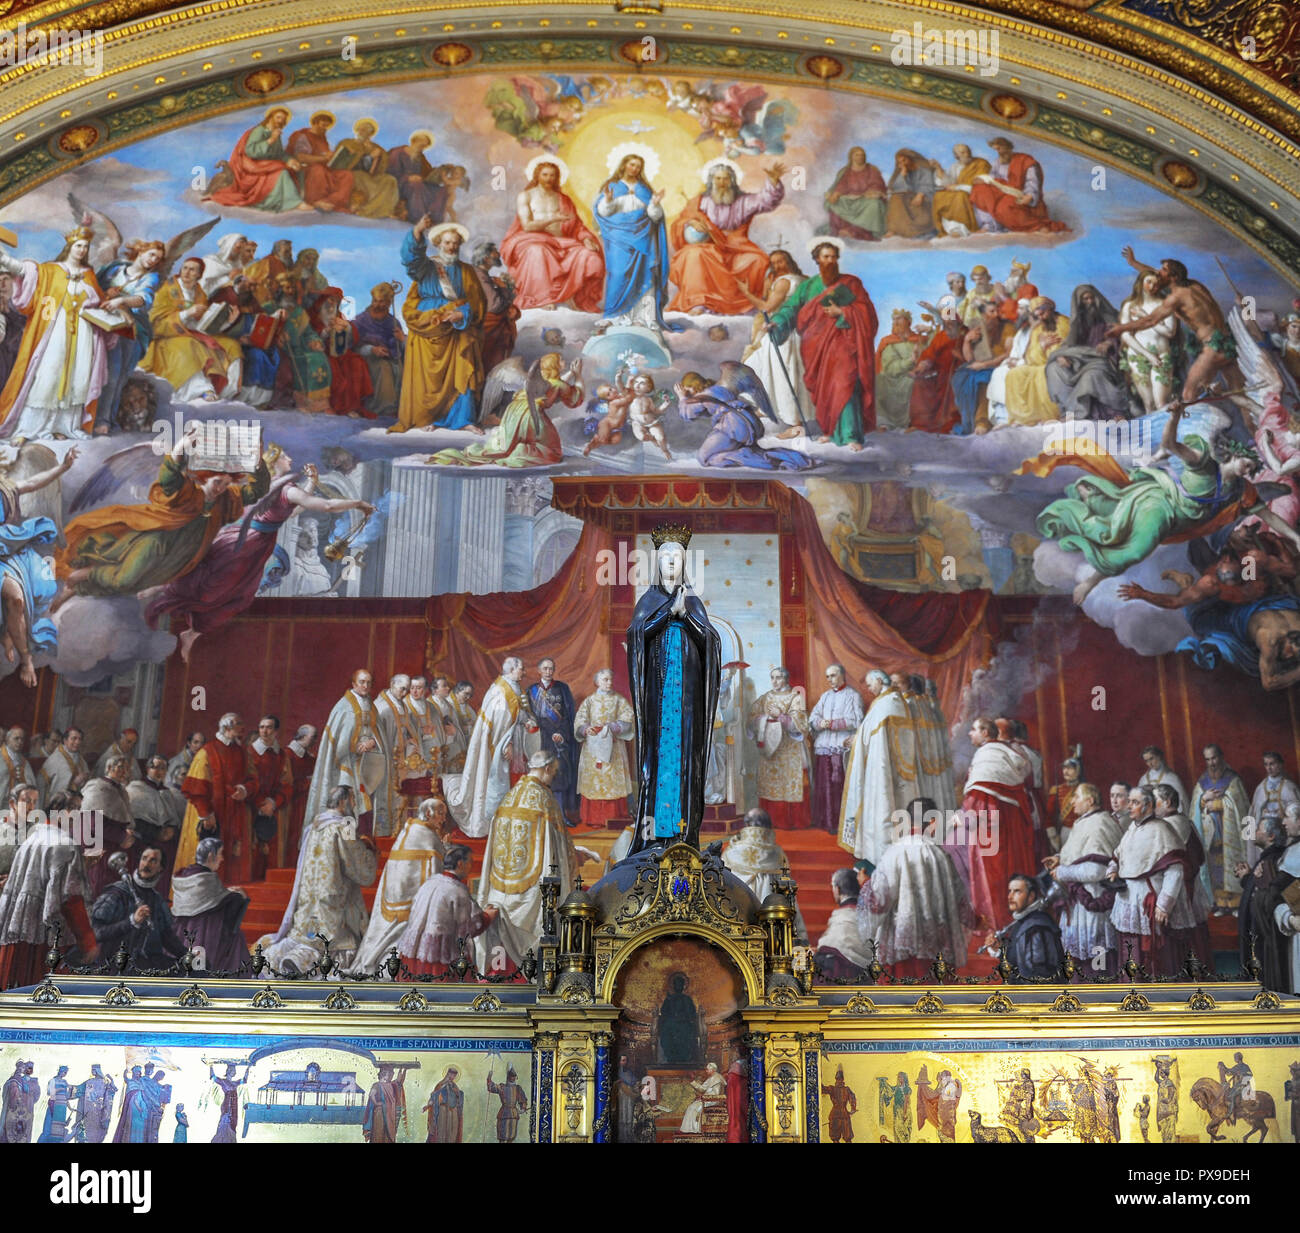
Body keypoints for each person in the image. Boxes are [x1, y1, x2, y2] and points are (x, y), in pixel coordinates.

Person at [53, 426, 270, 607]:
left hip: (180, 557)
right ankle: (82, 575)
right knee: (124, 579)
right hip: (156, 542)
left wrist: (258, 463)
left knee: (135, 584)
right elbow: (169, 480)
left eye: (226, 483)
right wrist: (178, 451)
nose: (221, 488)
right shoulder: (188, 492)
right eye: (217, 482)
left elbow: (255, 491)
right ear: (204, 479)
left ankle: (75, 590)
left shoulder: (226, 500)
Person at [626, 525, 722, 853]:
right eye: (664, 556)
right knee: (658, 762)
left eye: (676, 557)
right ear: (657, 562)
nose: (670, 562)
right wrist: (669, 612)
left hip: (687, 705)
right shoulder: (650, 599)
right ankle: (654, 837)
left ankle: (683, 837)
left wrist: (686, 617)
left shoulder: (692, 600)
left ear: (684, 563)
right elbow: (637, 635)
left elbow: (710, 641)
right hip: (659, 701)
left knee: (685, 762)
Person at [475, 751, 588, 971]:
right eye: (553, 773)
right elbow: (559, 847)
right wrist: (576, 856)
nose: (553, 777)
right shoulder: (544, 800)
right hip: (531, 889)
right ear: (546, 769)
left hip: (501, 885)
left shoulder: (510, 795)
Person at [761, 238, 877, 448]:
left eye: (833, 257)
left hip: (844, 343)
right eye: (825, 257)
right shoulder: (808, 286)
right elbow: (791, 308)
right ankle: (831, 432)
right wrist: (776, 323)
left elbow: (867, 312)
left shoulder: (851, 283)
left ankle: (851, 435)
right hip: (816, 348)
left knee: (846, 383)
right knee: (826, 390)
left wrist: (842, 312)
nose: (830, 261)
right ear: (817, 260)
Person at [0, 224, 108, 441]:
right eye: (78, 246)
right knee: (47, 376)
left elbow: (98, 302)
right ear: (70, 246)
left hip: (83, 335)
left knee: (78, 378)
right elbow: (22, 270)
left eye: (86, 247)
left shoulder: (89, 275)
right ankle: (29, 429)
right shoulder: (51, 270)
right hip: (54, 333)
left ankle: (64, 426)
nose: (82, 251)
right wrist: (3, 257)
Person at [263, 784, 378, 973]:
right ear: (342, 802)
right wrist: (370, 853)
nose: (355, 804)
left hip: (310, 897)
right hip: (334, 899)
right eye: (352, 800)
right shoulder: (346, 825)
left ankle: (281, 955)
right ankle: (299, 961)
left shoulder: (313, 826)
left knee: (306, 934)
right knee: (332, 942)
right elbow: (357, 863)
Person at [859, 798, 973, 978]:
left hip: (902, 948)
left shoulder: (894, 852)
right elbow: (960, 902)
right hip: (936, 945)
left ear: (909, 820)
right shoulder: (941, 856)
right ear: (933, 822)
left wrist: (865, 884)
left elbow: (879, 900)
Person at [391, 218, 486, 433]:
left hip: (456, 330)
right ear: (438, 244)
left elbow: (478, 303)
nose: (451, 247)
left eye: (455, 243)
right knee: (427, 379)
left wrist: (461, 314)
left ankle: (464, 419)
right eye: (447, 243)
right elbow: (410, 259)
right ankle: (429, 417)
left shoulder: (467, 272)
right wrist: (417, 230)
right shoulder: (425, 267)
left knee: (463, 369)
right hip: (428, 328)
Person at [668, 160, 785, 316]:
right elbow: (679, 223)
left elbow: (766, 201)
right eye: (718, 179)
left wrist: (773, 181)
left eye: (725, 179)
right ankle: (699, 302)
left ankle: (744, 304)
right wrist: (691, 222)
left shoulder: (743, 201)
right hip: (708, 248)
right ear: (711, 181)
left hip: (736, 248)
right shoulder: (700, 202)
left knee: (758, 260)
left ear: (732, 181)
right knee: (693, 255)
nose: (722, 183)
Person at [429, 350, 581, 468]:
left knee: (506, 447)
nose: (564, 361)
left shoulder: (545, 381)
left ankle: (518, 447)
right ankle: (522, 450)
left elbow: (556, 385)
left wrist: (572, 374)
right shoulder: (553, 383)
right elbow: (576, 399)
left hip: (514, 412)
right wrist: (578, 376)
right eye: (560, 360)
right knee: (552, 451)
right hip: (529, 414)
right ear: (553, 364)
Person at [350, 796, 447, 976]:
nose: (443, 819)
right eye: (440, 814)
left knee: (385, 932)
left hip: (393, 896)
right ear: (428, 813)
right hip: (410, 901)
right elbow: (438, 868)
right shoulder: (427, 836)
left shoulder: (408, 830)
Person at [1107, 786, 1197, 977]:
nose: (1129, 806)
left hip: (1151, 902)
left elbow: (1175, 871)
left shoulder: (1162, 829)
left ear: (1148, 805)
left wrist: (1164, 905)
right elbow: (1117, 854)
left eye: (1135, 802)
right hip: (1128, 899)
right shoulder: (1132, 827)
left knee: (1156, 958)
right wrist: (1113, 870)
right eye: (1129, 801)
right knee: (1129, 951)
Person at [963, 718, 1040, 929]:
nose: (970, 734)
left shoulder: (987, 755)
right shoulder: (1007, 753)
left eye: (974, 729)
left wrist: (962, 818)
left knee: (992, 874)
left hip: (991, 828)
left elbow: (978, 801)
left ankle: (995, 925)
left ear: (986, 733)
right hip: (1010, 827)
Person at [839, 670, 921, 865]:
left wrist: (857, 740)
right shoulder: (894, 701)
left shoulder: (886, 703)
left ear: (878, 680)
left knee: (884, 809)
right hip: (894, 770)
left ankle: (881, 857)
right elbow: (871, 733)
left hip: (882, 770)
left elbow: (874, 737)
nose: (868, 689)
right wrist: (859, 738)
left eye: (869, 684)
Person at [445, 657, 533, 838]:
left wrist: (527, 721)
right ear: (511, 670)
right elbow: (499, 726)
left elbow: (518, 714)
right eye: (521, 669)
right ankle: (495, 824)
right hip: (499, 748)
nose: (524, 672)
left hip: (513, 744)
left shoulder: (514, 688)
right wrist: (505, 745)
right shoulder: (501, 693)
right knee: (498, 783)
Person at [500, 157, 603, 312]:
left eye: (552, 175)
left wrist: (586, 238)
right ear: (537, 176)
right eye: (545, 175)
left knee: (589, 255)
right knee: (537, 251)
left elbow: (577, 226)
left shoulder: (564, 199)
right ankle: (541, 298)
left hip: (562, 242)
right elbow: (527, 226)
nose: (549, 178)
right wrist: (552, 219)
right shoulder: (526, 196)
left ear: (557, 178)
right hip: (531, 240)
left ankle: (574, 297)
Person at [1043, 782, 1123, 976]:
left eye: (1076, 797)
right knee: (1078, 961)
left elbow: (1097, 870)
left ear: (1090, 801)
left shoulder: (1100, 823)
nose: (1071, 801)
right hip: (1078, 904)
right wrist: (1059, 859)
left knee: (1097, 960)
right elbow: (1079, 854)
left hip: (1094, 902)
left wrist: (1063, 872)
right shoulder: (1083, 822)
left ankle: (1099, 996)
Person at [139, 256, 243, 402]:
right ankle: (202, 389)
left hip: (193, 333)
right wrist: (186, 313)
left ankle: (228, 391)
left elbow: (205, 326)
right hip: (166, 338)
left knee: (232, 345)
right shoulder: (166, 289)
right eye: (185, 268)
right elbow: (155, 324)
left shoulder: (200, 293)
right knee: (190, 345)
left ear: (199, 275)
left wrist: (228, 322)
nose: (186, 272)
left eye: (192, 270)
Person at [593, 151, 676, 334]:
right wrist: (607, 201)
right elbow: (603, 213)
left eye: (638, 166)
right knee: (619, 274)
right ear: (623, 165)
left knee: (644, 275)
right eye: (631, 164)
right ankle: (614, 316)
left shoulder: (645, 190)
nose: (635, 168)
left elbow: (655, 217)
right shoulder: (613, 186)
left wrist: (654, 203)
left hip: (642, 238)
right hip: (618, 239)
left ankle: (644, 317)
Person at [173, 712, 257, 884]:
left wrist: (244, 789)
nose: (242, 728)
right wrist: (206, 814)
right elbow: (196, 789)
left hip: (235, 813)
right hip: (211, 813)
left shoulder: (242, 752)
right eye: (238, 724)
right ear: (227, 728)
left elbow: (253, 779)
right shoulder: (206, 752)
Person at [741, 250, 817, 437]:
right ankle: (767, 407)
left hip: (782, 332)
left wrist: (746, 293)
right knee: (765, 368)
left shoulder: (784, 281)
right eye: (774, 263)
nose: (777, 266)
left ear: (789, 261)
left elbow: (767, 307)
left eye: (781, 261)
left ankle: (796, 424)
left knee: (785, 375)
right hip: (796, 332)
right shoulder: (805, 280)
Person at [305, 670, 387, 838]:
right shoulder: (344, 706)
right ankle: (346, 842)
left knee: (364, 806)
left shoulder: (371, 706)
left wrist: (372, 742)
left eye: (369, 683)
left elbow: (377, 733)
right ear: (354, 684)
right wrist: (354, 746)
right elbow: (338, 743)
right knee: (347, 805)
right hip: (345, 764)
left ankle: (359, 845)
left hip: (365, 765)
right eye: (362, 682)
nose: (366, 686)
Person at [94, 239, 164, 432]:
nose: (153, 260)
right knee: (101, 373)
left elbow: (143, 299)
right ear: (140, 251)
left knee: (117, 375)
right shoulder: (114, 270)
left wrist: (121, 300)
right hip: (100, 322)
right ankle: (93, 419)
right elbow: (93, 285)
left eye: (157, 258)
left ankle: (105, 420)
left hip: (129, 329)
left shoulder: (151, 278)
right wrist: (106, 292)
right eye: (151, 254)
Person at [399, 843, 496, 976]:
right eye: (470, 862)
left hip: (413, 955)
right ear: (460, 863)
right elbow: (469, 929)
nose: (471, 867)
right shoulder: (458, 891)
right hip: (440, 960)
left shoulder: (428, 884)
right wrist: (488, 916)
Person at [90, 845, 187, 972]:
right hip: (116, 963)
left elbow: (167, 937)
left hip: (146, 962)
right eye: (144, 858)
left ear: (160, 868)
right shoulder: (117, 893)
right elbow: (95, 933)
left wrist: (188, 956)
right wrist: (131, 922)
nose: (146, 864)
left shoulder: (157, 900)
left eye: (153, 860)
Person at [170, 836, 250, 973]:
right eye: (220, 854)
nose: (222, 858)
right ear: (211, 855)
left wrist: (226, 893)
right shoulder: (208, 879)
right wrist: (241, 896)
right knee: (236, 939)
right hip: (205, 934)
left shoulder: (183, 876)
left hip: (182, 931)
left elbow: (210, 897)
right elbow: (221, 904)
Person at [206, 106, 309, 212]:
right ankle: (293, 203)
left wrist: (290, 160)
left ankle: (298, 198)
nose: (280, 121)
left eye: (283, 119)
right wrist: (270, 140)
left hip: (266, 164)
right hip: (252, 166)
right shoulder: (259, 131)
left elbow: (279, 154)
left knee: (297, 169)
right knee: (281, 171)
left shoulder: (275, 133)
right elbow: (251, 151)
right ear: (270, 117)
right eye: (278, 117)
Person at [722, 807, 807, 933]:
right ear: (768, 826)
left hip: (738, 914)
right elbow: (786, 890)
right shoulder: (777, 854)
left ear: (747, 825)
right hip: (770, 916)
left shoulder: (731, 852)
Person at [1190, 743, 1249, 914]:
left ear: (1221, 757)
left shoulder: (1232, 779)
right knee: (1215, 870)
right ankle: (1221, 903)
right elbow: (1194, 808)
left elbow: (1242, 807)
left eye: (1214, 758)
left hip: (1230, 836)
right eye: (1208, 759)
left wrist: (1220, 803)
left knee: (1232, 868)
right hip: (1211, 837)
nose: (1212, 763)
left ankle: (1236, 903)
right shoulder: (1202, 782)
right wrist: (1202, 799)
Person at [573, 668, 636, 831]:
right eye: (605, 680)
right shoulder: (589, 701)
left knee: (612, 780)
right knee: (594, 781)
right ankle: (594, 818)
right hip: (593, 749)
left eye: (610, 680)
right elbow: (580, 719)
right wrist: (586, 729)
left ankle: (615, 816)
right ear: (597, 682)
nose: (609, 683)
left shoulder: (618, 700)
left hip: (613, 747)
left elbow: (628, 717)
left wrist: (614, 727)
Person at [747, 666, 809, 828]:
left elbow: (801, 723)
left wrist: (781, 716)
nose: (775, 681)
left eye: (779, 677)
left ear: (786, 679)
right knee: (769, 786)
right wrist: (763, 719)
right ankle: (767, 821)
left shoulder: (795, 698)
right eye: (772, 677)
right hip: (770, 750)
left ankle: (791, 823)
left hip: (789, 750)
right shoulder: (766, 698)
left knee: (789, 785)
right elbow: (752, 717)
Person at [807, 664, 864, 835]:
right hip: (825, 745)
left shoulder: (853, 696)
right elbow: (814, 717)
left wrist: (831, 723)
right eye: (827, 676)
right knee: (823, 785)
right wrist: (819, 723)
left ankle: (839, 823)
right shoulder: (825, 696)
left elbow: (857, 721)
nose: (830, 680)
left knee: (838, 785)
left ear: (842, 675)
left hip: (841, 746)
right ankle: (824, 820)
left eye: (833, 675)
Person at [969, 137, 1066, 233]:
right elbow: (993, 178)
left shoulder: (1025, 160)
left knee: (1003, 208)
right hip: (1002, 193)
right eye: (996, 150)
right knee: (979, 191)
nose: (999, 153)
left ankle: (1037, 226)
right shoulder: (997, 162)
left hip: (1020, 195)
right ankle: (989, 225)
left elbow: (1032, 181)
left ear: (1008, 147)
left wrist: (1030, 196)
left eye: (999, 149)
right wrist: (983, 179)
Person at [526, 658, 580, 825]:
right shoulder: (531, 691)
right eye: (545, 668)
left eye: (551, 668)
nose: (548, 671)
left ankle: (561, 816)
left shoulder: (562, 689)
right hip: (540, 740)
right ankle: (540, 817)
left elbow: (568, 715)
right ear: (539, 671)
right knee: (539, 776)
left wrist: (561, 734)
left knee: (559, 776)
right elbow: (529, 716)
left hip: (559, 740)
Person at [984, 874, 1065, 980]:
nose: (1010, 897)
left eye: (1017, 891)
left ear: (1031, 896)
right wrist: (999, 949)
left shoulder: (1036, 928)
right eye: (1010, 891)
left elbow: (1036, 976)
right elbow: (1017, 958)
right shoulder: (1023, 921)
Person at [127, 755, 183, 896]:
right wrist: (156, 833)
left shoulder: (167, 793)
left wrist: (172, 831)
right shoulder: (135, 789)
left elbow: (174, 820)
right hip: (145, 841)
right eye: (155, 767)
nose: (159, 771)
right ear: (147, 769)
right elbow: (133, 821)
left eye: (163, 768)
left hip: (166, 845)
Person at [285, 110, 354, 212]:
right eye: (322, 125)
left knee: (347, 175)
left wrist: (334, 157)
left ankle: (332, 202)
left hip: (325, 168)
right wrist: (323, 158)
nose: (324, 128)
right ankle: (316, 201)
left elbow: (324, 155)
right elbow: (301, 157)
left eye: (326, 126)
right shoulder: (303, 136)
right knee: (318, 170)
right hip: (305, 169)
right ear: (314, 123)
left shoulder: (322, 138)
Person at [354, 282, 406, 417]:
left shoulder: (393, 322)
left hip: (390, 359)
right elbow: (354, 345)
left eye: (382, 301)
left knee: (400, 368)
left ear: (389, 303)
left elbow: (400, 349)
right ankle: (384, 408)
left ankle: (401, 406)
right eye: (375, 301)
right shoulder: (361, 320)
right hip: (368, 358)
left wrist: (401, 339)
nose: (377, 305)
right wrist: (372, 349)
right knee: (383, 368)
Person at [813, 868, 874, 980]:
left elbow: (833, 947)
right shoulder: (869, 913)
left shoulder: (842, 915)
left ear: (837, 889)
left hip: (845, 973)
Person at [823, 146, 887, 241]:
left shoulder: (872, 170)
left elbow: (877, 184)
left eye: (862, 155)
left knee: (874, 204)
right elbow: (841, 185)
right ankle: (839, 230)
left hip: (865, 198)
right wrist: (836, 193)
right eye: (857, 155)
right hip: (850, 198)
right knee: (835, 203)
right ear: (851, 157)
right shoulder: (846, 171)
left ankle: (860, 232)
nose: (860, 157)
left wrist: (873, 192)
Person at [930, 143, 991, 237]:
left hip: (975, 192)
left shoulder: (981, 164)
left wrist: (958, 187)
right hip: (958, 192)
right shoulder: (955, 167)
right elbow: (948, 182)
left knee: (960, 196)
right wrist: (939, 168)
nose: (967, 154)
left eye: (968, 151)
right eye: (963, 152)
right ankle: (951, 228)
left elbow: (982, 183)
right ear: (956, 156)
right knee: (939, 196)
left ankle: (962, 229)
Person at [883, 149, 936, 240]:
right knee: (896, 197)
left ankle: (907, 231)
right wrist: (902, 175)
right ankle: (893, 229)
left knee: (901, 198)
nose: (903, 164)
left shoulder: (924, 171)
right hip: (909, 199)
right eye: (900, 162)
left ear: (911, 159)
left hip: (924, 200)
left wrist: (920, 195)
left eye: (904, 160)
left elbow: (928, 186)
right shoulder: (904, 172)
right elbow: (898, 189)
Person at [38, 726, 89, 807]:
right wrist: (74, 783)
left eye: (80, 739)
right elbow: (54, 787)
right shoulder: (56, 759)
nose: (77, 742)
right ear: (65, 741)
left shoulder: (81, 759)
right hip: (56, 805)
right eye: (74, 738)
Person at [362, 1065, 407, 1144]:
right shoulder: (377, 1085)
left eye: (392, 1074)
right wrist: (377, 1103)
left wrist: (403, 1069)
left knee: (387, 1135)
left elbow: (399, 1081)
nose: (391, 1076)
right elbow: (372, 1095)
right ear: (384, 1074)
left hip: (389, 1114)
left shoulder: (392, 1085)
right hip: (380, 1114)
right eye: (389, 1074)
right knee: (378, 1133)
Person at [71, 1064, 115, 1143]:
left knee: (96, 1135)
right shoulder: (89, 1082)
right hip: (87, 1112)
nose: (92, 1071)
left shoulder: (105, 1082)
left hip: (98, 1113)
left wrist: (112, 1081)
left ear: (98, 1071)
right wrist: (65, 1088)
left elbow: (110, 1094)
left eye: (94, 1070)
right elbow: (78, 1090)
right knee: (86, 1133)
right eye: (92, 1070)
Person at [209, 1063, 251, 1143]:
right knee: (225, 1121)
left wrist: (248, 1068)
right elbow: (213, 1077)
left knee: (233, 1123)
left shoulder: (235, 1083)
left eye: (234, 1071)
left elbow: (244, 1080)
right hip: (227, 1105)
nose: (234, 1072)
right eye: (233, 1070)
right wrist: (211, 1066)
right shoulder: (223, 1081)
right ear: (228, 1071)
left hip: (234, 1106)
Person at [487, 1066, 528, 1143]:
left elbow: (522, 1099)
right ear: (508, 1077)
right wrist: (489, 1077)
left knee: (511, 1136)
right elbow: (491, 1087)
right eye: (511, 1076)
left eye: (514, 1076)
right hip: (504, 1113)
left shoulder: (518, 1088)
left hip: (514, 1114)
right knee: (502, 1136)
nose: (513, 1078)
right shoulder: (502, 1087)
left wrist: (523, 1108)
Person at [1, 1061, 39, 1141]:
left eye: (31, 1068)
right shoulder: (18, 1079)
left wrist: (29, 1096)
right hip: (16, 1109)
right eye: (27, 1068)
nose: (29, 1070)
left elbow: (36, 1095)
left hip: (28, 1108)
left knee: (25, 1130)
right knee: (12, 1129)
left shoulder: (34, 1081)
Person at [424, 1067, 463, 1142]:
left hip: (453, 1112)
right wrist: (428, 1105)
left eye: (454, 1076)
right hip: (443, 1111)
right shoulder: (441, 1085)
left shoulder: (455, 1086)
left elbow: (459, 1098)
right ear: (448, 1074)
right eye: (451, 1075)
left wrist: (458, 1094)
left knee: (452, 1133)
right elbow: (434, 1097)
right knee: (442, 1132)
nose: (453, 1077)